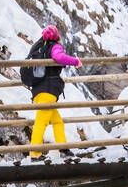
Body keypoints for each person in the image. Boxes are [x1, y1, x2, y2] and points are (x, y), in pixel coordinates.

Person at [21, 24, 82, 160]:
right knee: (41, 122)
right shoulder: (54, 47)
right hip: (48, 91)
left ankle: (63, 148)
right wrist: (75, 61)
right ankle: (34, 154)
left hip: (38, 91)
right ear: (56, 37)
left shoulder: (38, 48)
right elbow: (59, 57)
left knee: (57, 122)